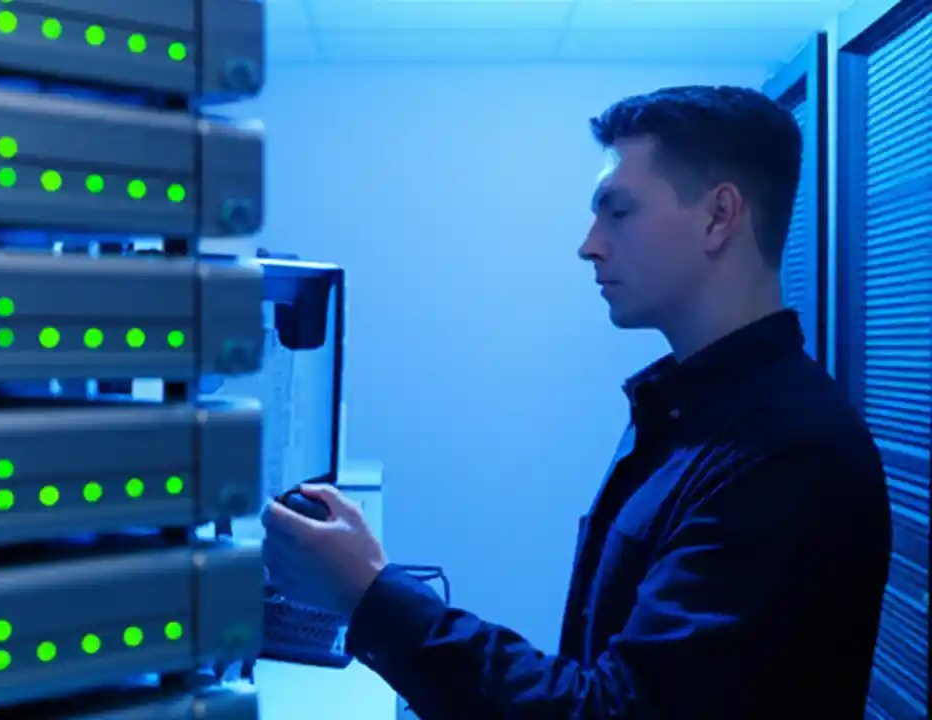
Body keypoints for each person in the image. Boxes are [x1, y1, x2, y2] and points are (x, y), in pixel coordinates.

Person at [261, 86, 892, 719]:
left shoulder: (789, 452)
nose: (589, 244)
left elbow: (615, 713)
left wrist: (370, 594)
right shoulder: (684, 416)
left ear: (718, 217)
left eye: (617, 211)